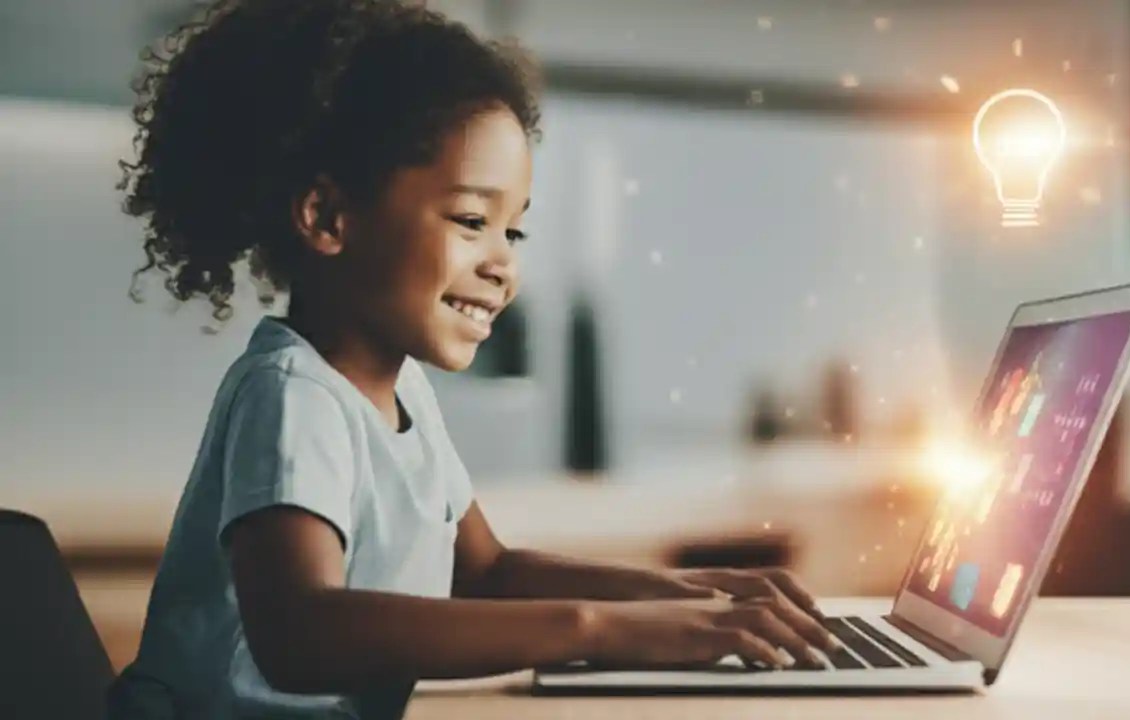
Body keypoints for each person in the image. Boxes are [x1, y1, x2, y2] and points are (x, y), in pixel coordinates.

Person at [107, 2, 838, 717]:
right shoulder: (292, 395)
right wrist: (598, 628)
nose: (502, 266)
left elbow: (487, 571)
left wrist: (685, 596)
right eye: (470, 221)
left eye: (511, 233)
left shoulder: (402, 394)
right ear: (328, 218)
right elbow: (301, 633)